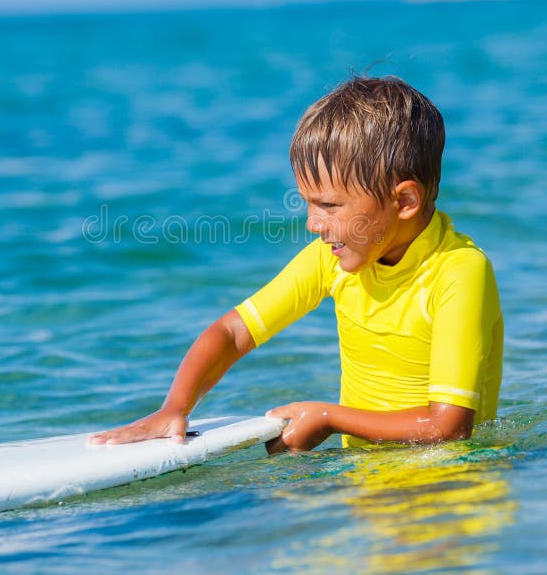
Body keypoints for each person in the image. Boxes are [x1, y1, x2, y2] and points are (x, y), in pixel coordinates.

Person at [89, 76, 503, 452]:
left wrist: (328, 418)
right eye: (308, 203)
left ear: (405, 201)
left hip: (448, 491)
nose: (312, 224)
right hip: (366, 487)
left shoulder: (458, 272)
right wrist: (174, 408)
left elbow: (448, 427)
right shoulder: (334, 260)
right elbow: (234, 332)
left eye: (329, 205)